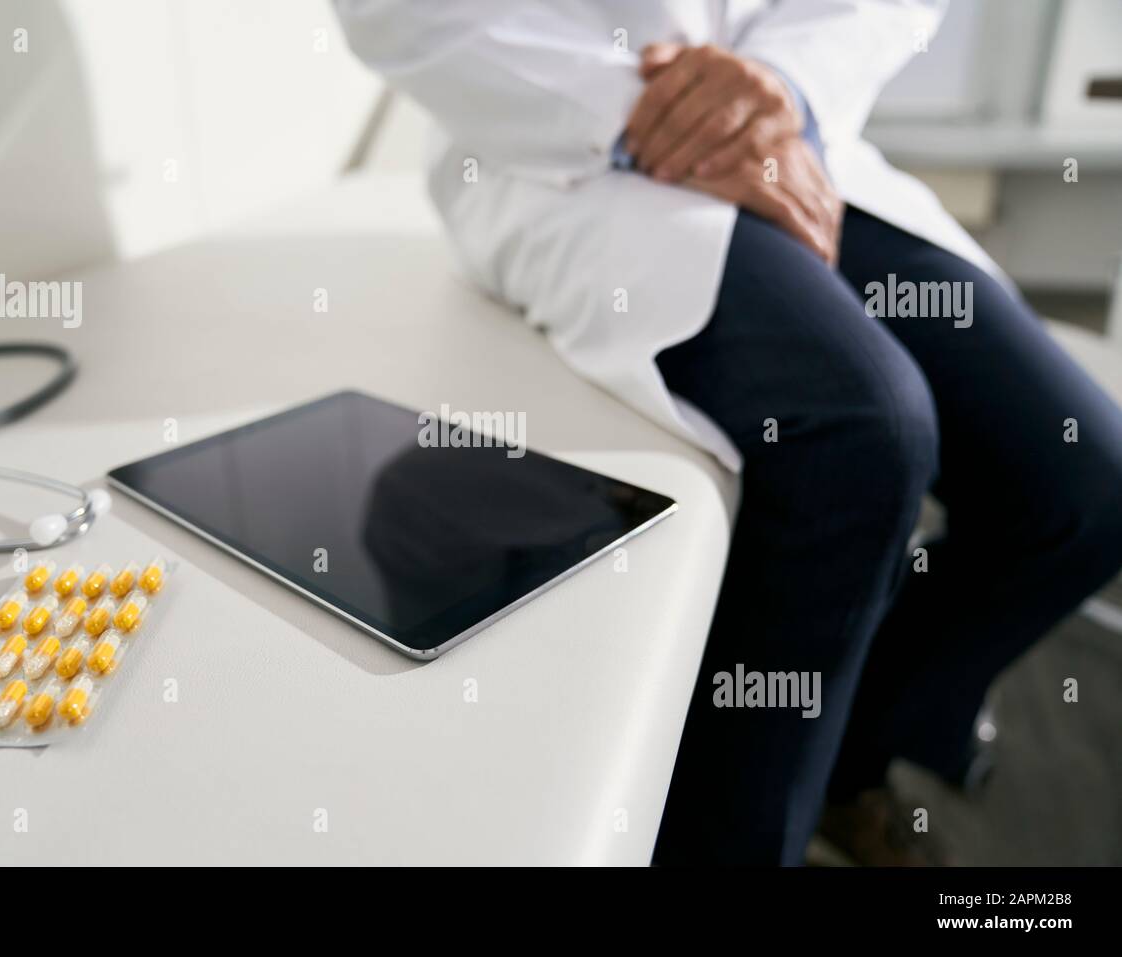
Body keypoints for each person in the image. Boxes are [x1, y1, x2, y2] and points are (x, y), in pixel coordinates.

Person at [334, 0, 1122, 865]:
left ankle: (844, 756)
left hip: (803, 139)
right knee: (863, 429)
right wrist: (660, 113)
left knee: (1087, 480)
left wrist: (779, 90)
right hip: (572, 157)